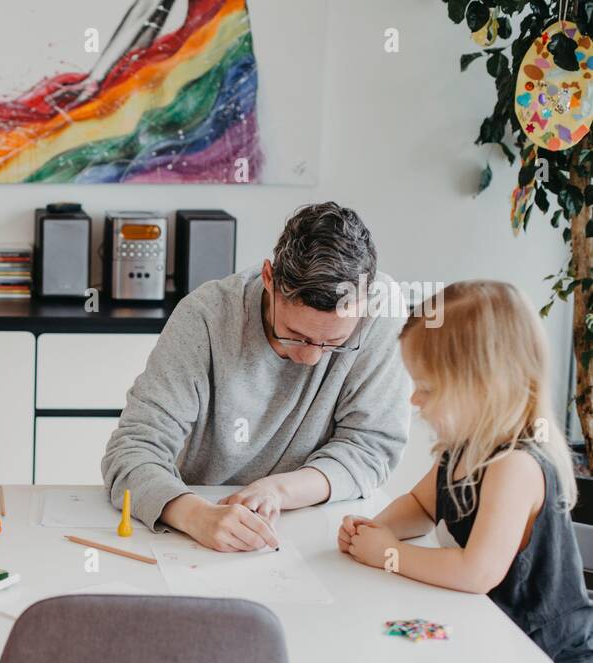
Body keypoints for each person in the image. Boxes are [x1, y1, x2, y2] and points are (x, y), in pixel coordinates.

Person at [339, 280, 593, 663]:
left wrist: (388, 555)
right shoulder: (464, 449)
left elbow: (475, 572)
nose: (415, 401)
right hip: (488, 645)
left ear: (482, 384)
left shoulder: (514, 466)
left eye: (427, 387)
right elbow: (420, 508)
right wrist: (374, 530)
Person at [101, 202, 410, 551]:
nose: (310, 358)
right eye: (296, 335)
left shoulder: (382, 312)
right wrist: (192, 515)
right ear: (269, 279)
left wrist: (278, 490)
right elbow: (131, 452)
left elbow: (371, 448)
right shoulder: (205, 318)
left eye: (334, 343)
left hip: (322, 529)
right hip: (202, 528)